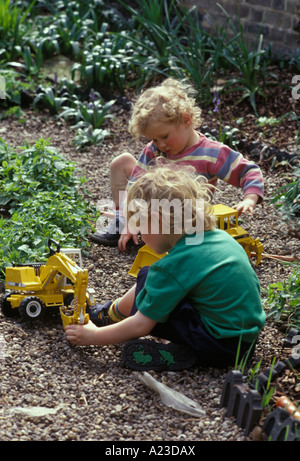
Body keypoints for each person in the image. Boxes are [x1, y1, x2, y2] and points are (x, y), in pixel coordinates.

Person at [65, 166, 266, 371]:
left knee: (153, 281)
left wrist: (93, 337)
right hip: (246, 342)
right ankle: (111, 313)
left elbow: (140, 325)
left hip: (216, 345)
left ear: (156, 220)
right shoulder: (220, 238)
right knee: (151, 277)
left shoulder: (175, 265)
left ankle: (182, 354)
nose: (139, 234)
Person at [91, 78, 264, 251]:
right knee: (122, 162)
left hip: (186, 220)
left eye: (164, 136)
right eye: (154, 139)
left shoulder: (211, 153)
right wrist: (130, 218)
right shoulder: (153, 150)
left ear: (186, 120)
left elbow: (248, 171)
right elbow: (135, 185)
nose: (160, 144)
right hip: (156, 214)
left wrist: (250, 198)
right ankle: (122, 224)